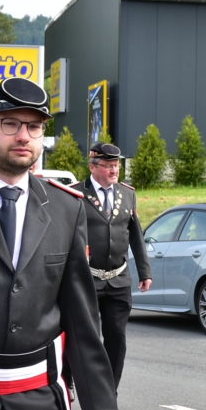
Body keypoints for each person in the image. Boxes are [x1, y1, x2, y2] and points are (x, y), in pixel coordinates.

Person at [0, 77, 117, 410]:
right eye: (10, 123)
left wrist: (100, 406)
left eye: (35, 126)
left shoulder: (65, 209)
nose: (23, 136)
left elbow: (81, 316)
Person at [80, 142, 152, 391]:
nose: (114, 170)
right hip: (87, 279)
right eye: (108, 165)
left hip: (119, 280)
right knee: (86, 338)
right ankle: (70, 378)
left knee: (117, 340)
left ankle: (109, 393)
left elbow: (136, 235)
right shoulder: (76, 193)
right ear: (92, 166)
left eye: (116, 165)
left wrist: (145, 271)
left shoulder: (127, 194)